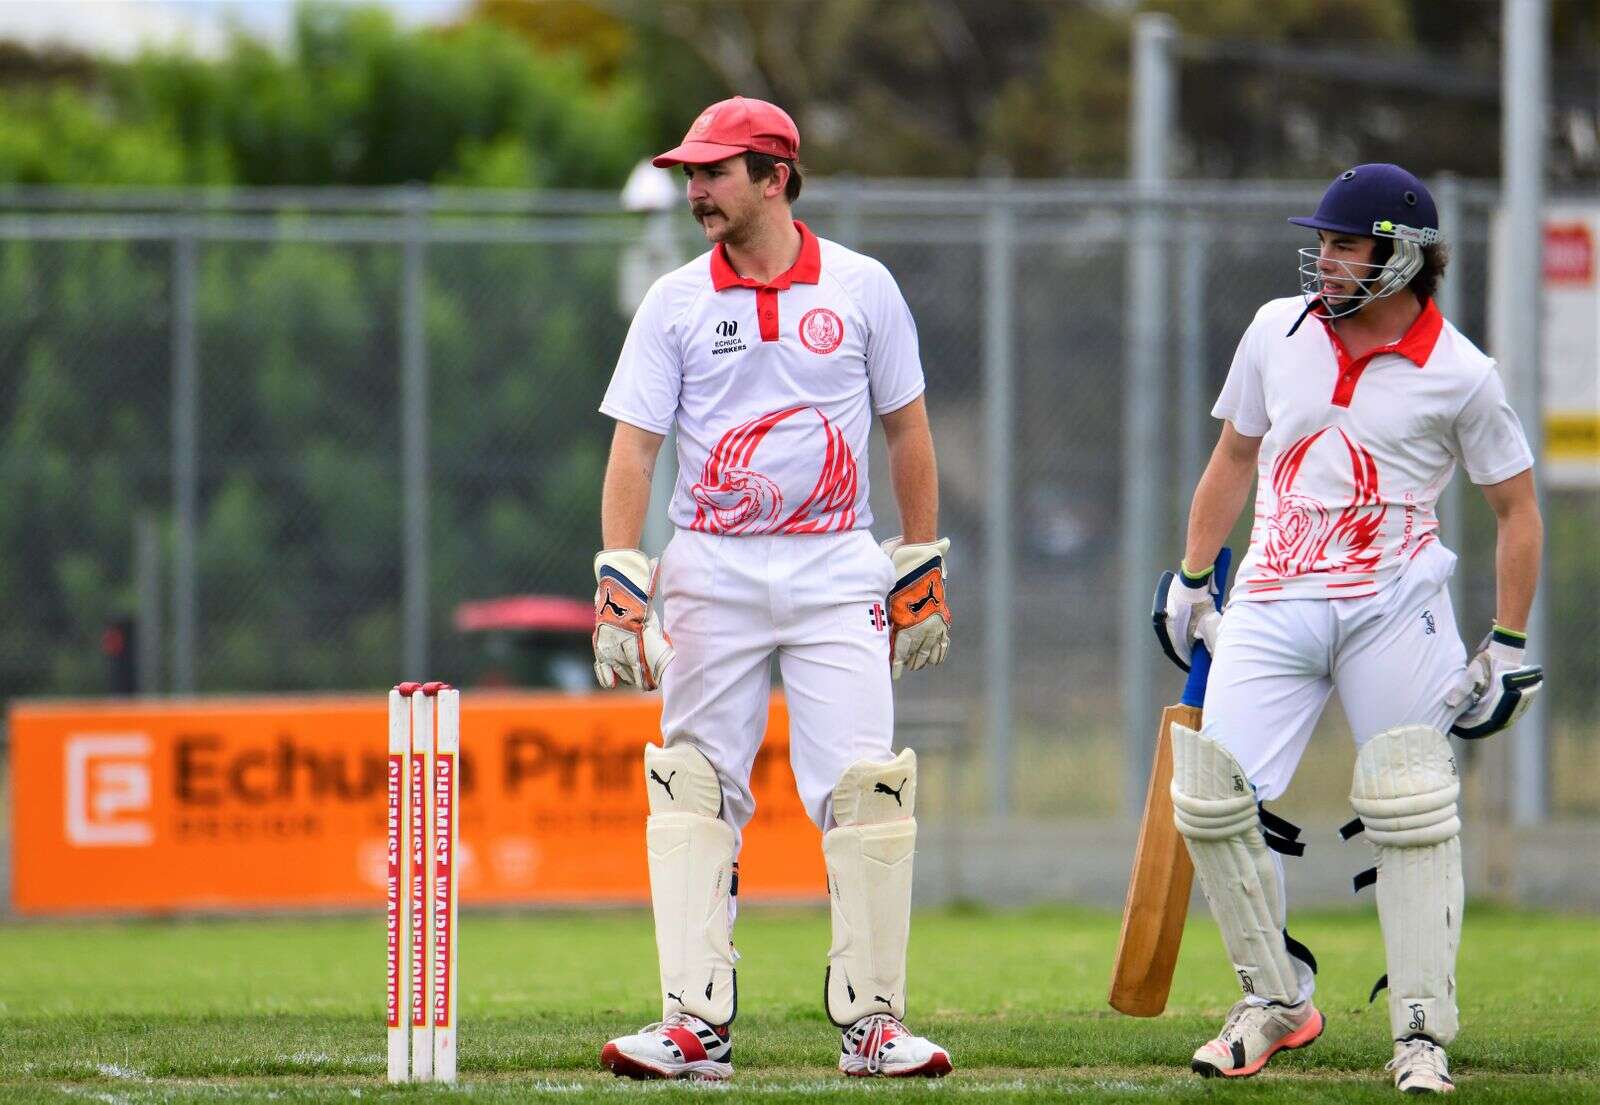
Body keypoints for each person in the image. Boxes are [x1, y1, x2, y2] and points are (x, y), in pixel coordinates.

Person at [1152, 163, 1544, 1095]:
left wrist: (1511, 644)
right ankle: (1278, 1000)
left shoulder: (1462, 373)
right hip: (1275, 595)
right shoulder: (1273, 332)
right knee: (1209, 795)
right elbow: (1235, 453)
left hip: (1395, 606)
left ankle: (1420, 1031)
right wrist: (1193, 574)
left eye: (1344, 244)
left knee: (1410, 805)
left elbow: (1518, 509)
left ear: (1403, 256)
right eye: (1322, 241)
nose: (1324, 259)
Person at [589, 96, 954, 1082]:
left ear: (774, 178)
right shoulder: (672, 301)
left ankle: (874, 1027)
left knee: (868, 789)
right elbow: (634, 447)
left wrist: (919, 560)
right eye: (689, 174)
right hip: (709, 561)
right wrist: (622, 571)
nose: (694, 189)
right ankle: (692, 1026)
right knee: (692, 789)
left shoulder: (863, 287)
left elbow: (907, 430)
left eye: (713, 172)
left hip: (837, 561)